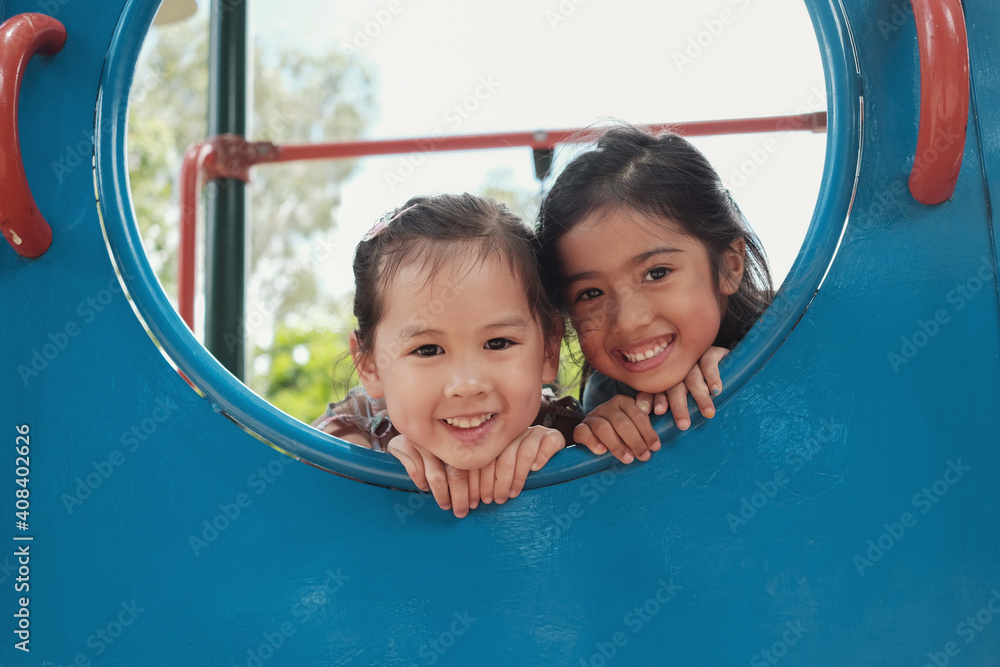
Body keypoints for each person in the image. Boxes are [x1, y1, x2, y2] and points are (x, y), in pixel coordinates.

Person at [312, 193, 582, 518]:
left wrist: (568, 454)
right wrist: (371, 462)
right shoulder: (357, 430)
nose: (467, 385)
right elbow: (300, 480)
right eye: (427, 350)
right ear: (370, 366)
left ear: (550, 348)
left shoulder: (573, 433)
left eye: (498, 343)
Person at [536, 125, 774, 465]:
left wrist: (749, 362)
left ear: (729, 266)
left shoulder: (802, 334)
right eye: (590, 293)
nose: (630, 320)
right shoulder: (606, 396)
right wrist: (595, 438)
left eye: (657, 273)